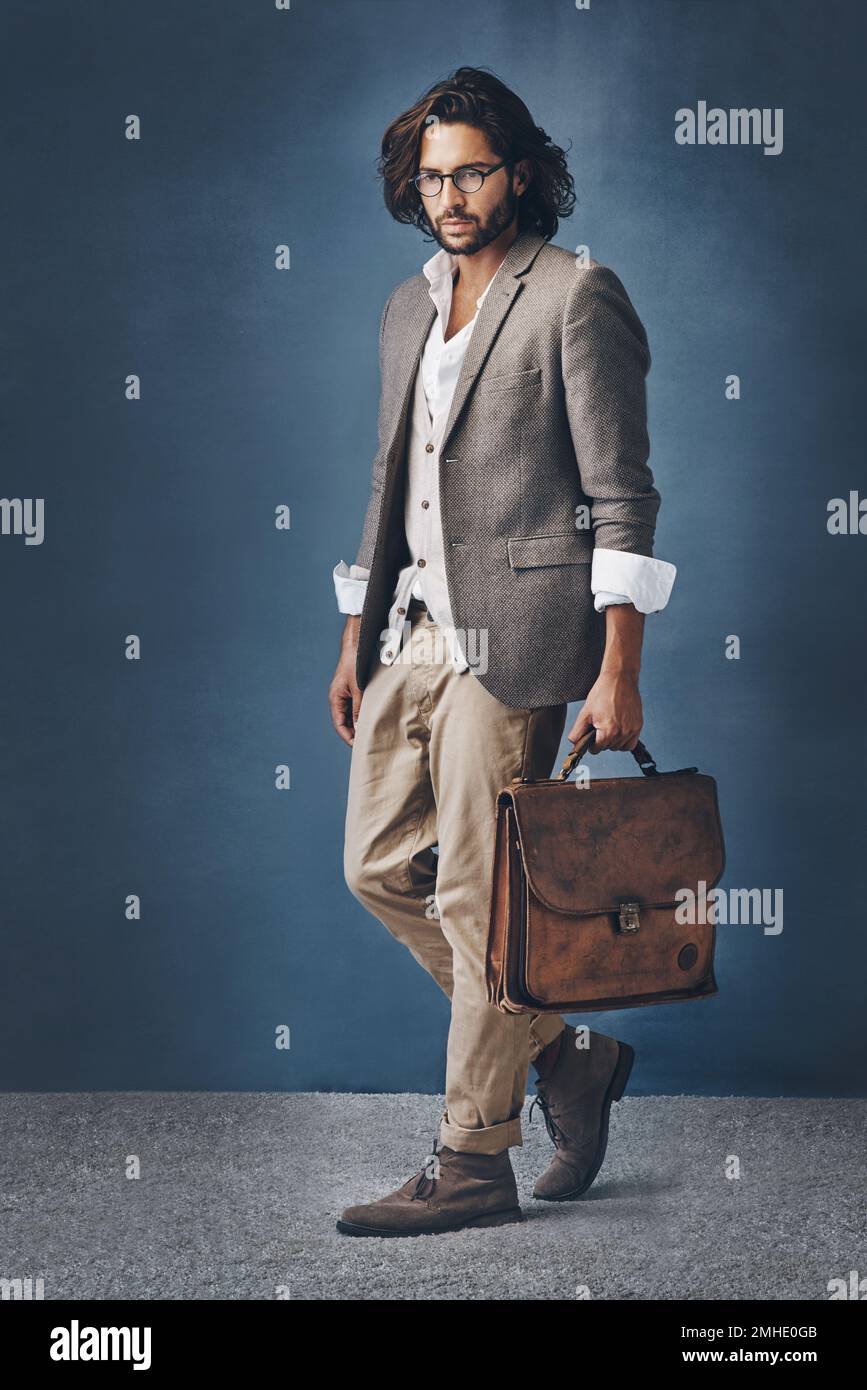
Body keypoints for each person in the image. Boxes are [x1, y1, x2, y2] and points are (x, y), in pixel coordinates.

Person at [327, 66, 676, 1237]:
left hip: (518, 638)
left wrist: (619, 665)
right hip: (413, 631)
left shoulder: (576, 294)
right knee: (379, 868)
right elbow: (390, 480)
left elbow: (621, 496)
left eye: (472, 171)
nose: (451, 196)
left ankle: (472, 1159)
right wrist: (353, 633)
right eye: (432, 178)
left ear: (519, 171)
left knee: (483, 896)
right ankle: (570, 1053)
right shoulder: (406, 306)